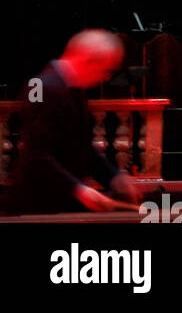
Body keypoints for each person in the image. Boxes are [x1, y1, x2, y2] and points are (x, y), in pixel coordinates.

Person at [7, 30, 141, 214]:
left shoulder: (75, 90)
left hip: (61, 200)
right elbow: (36, 152)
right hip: (36, 204)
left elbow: (82, 146)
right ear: (90, 60)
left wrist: (115, 178)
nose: (107, 78)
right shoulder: (37, 85)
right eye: (107, 70)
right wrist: (79, 190)